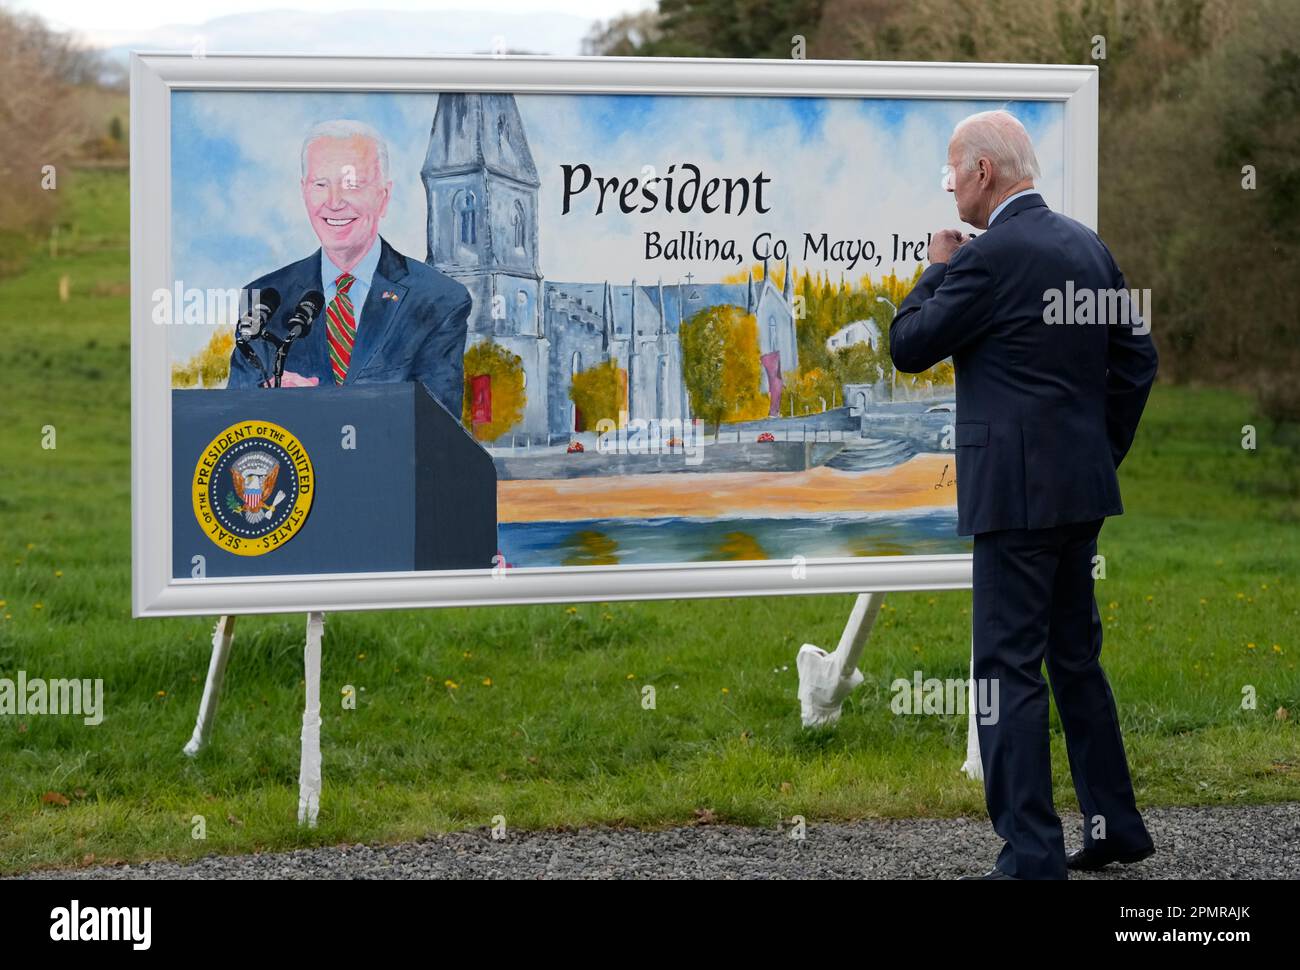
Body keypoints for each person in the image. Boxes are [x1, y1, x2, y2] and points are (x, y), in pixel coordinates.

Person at [890, 109, 1159, 880]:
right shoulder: (1087, 247)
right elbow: (1138, 362)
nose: (949, 187)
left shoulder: (985, 260)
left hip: (1012, 500)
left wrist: (936, 267)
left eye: (952, 171)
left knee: (1006, 671)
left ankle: (1032, 853)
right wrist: (1098, 452)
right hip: (1079, 495)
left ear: (983, 172)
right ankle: (1115, 829)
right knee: (1076, 660)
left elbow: (910, 346)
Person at [226, 119, 471, 417]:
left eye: (352, 184)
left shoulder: (438, 300)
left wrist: (319, 404)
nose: (334, 202)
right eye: (320, 185)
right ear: (304, 192)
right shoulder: (265, 299)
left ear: (383, 197)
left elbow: (437, 426)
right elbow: (237, 422)